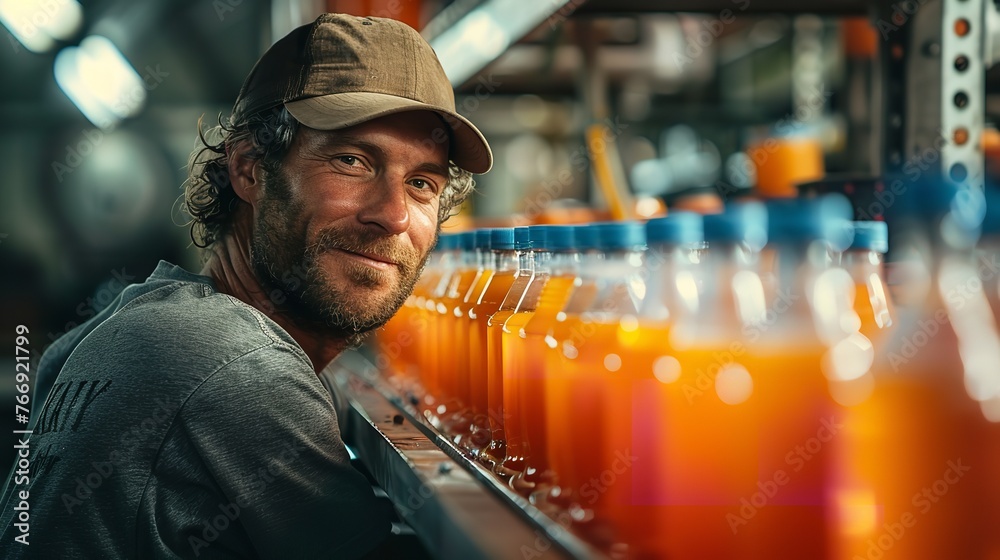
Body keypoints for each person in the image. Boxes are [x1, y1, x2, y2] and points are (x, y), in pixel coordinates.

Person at [0, 13, 492, 558]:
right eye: (352, 161)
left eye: (422, 183)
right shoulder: (233, 361)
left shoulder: (124, 325)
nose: (394, 215)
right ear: (250, 168)